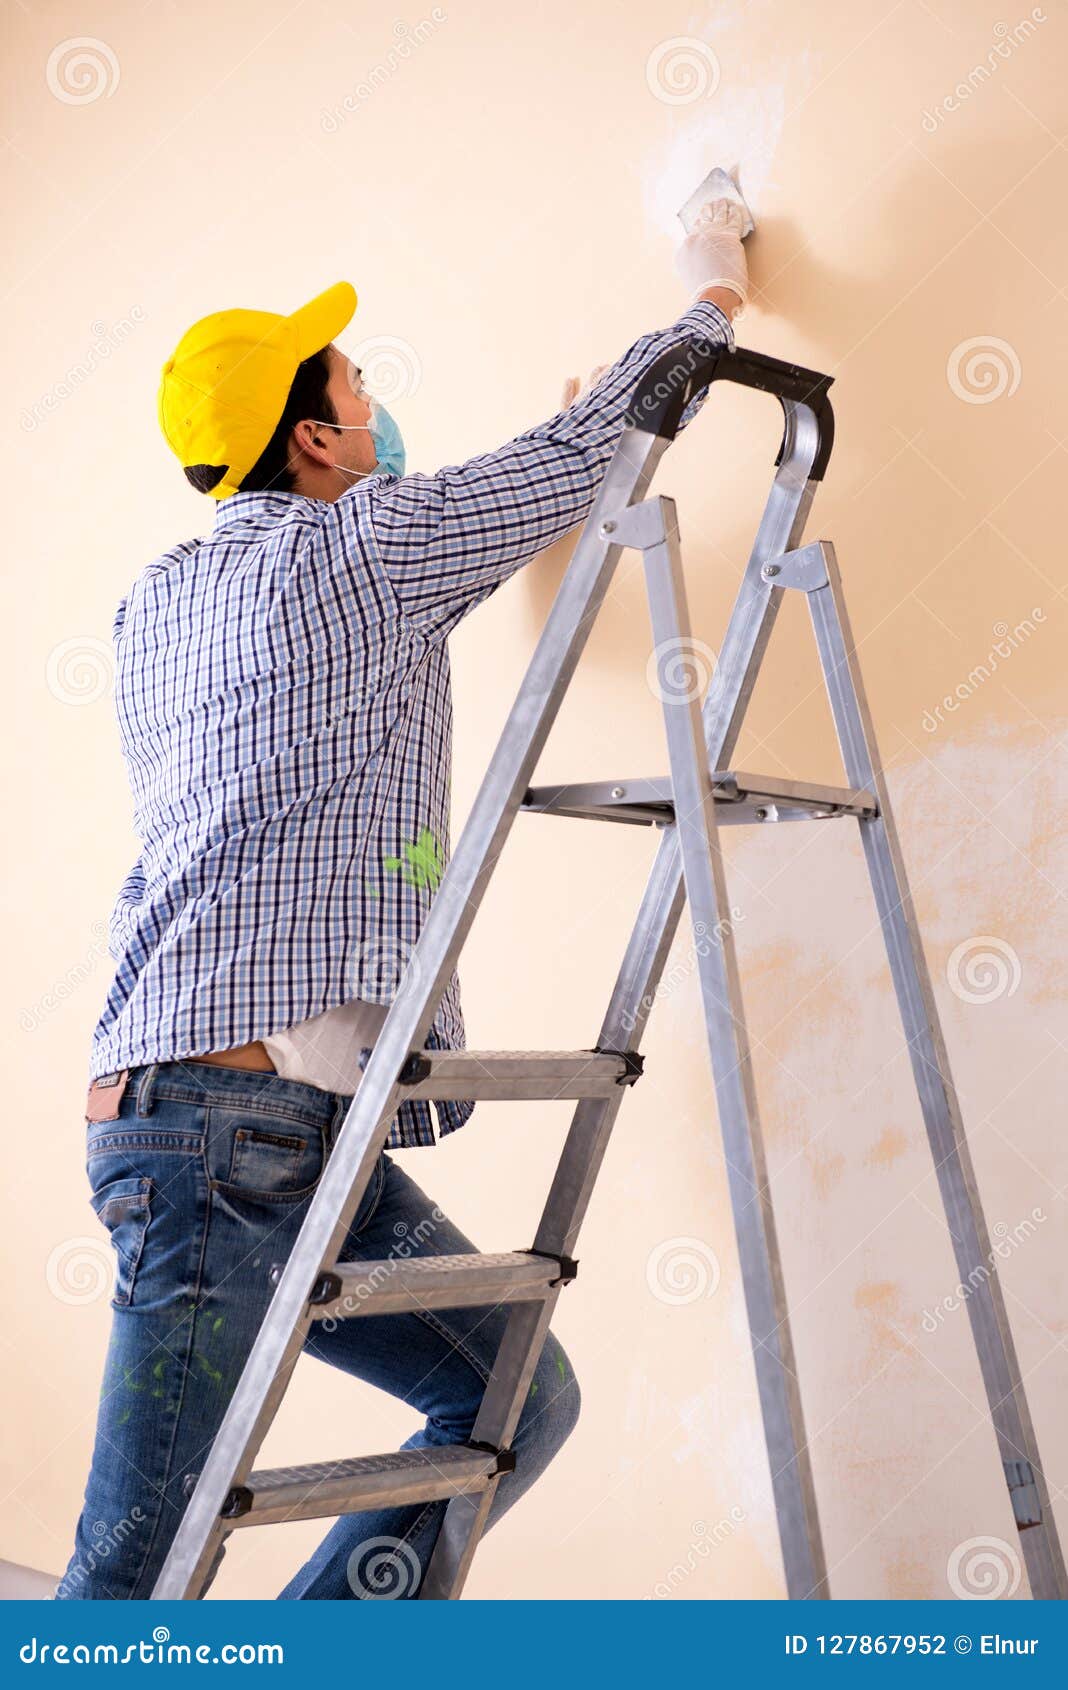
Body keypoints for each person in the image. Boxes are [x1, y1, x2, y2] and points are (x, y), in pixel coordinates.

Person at [57, 202, 749, 1600]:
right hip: (226, 1132)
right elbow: (579, 447)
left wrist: (516, 494)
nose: (377, 404)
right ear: (316, 438)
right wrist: (715, 291)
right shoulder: (365, 552)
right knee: (129, 1581)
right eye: (357, 384)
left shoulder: (163, 599)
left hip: (242, 1117)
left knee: (513, 1399)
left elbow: (327, 758)